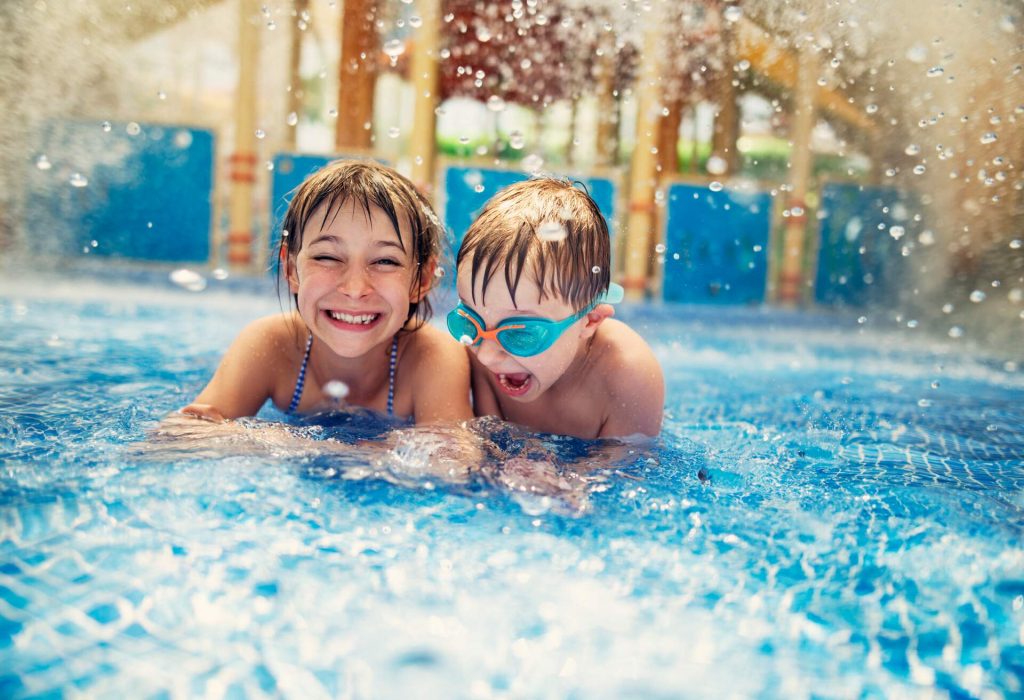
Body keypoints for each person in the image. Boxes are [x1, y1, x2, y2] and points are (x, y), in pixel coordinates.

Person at [182, 159, 473, 425]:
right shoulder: (271, 346)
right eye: (327, 257)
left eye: (385, 261)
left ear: (421, 280)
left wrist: (286, 445)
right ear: (292, 269)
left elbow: (453, 462)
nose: (355, 289)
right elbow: (184, 433)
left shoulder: (432, 358)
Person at [448, 178, 664, 439]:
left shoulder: (628, 375)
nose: (486, 357)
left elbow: (624, 473)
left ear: (589, 319)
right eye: (469, 321)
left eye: (520, 334)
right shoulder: (478, 345)